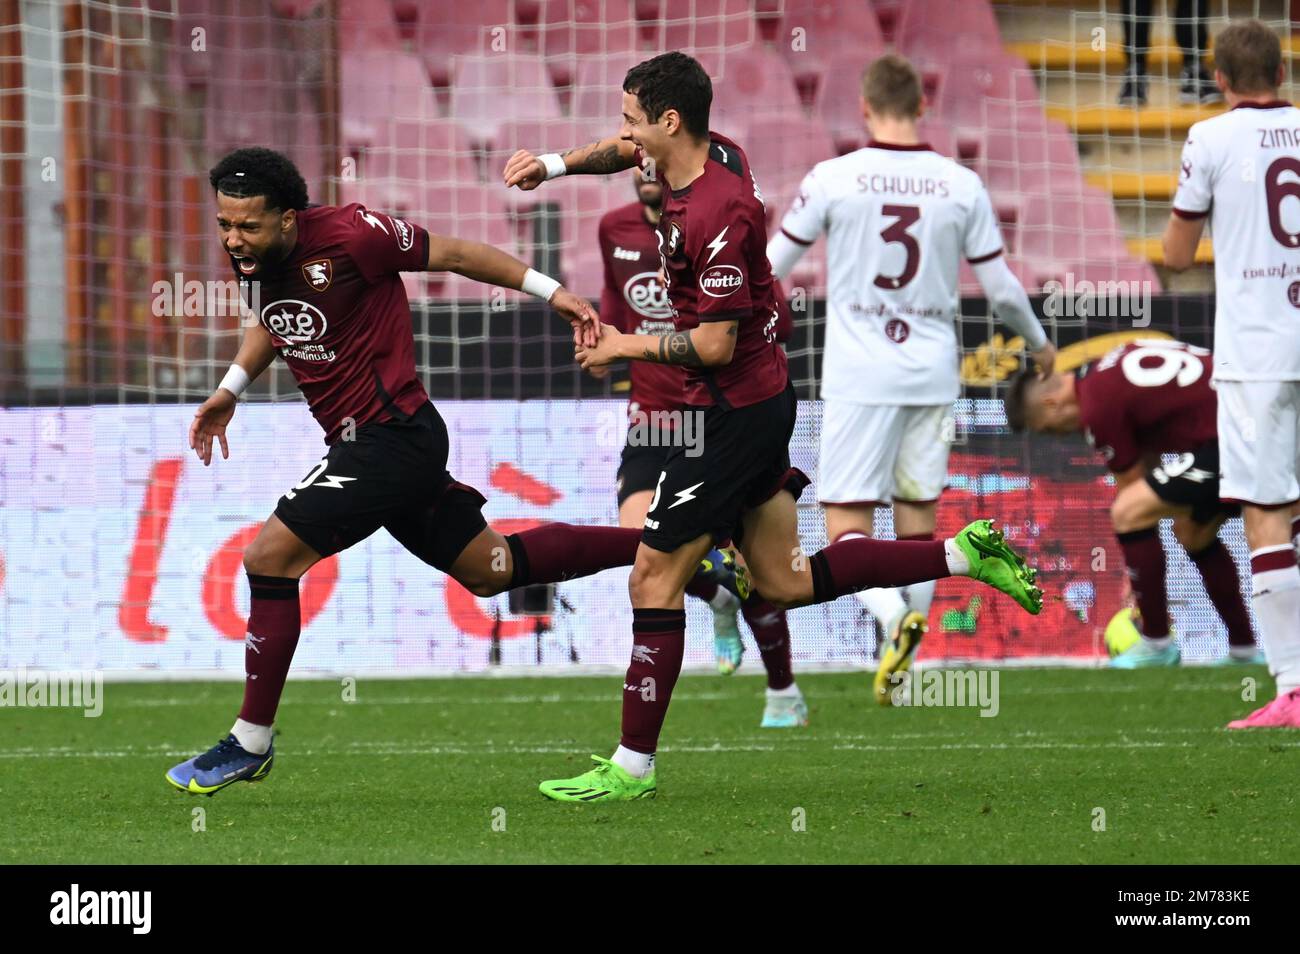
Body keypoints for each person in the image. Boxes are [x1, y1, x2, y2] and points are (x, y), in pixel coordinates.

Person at [505, 51, 1043, 802]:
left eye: (633, 122)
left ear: (668, 122)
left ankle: (631, 766)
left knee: (652, 575)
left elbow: (716, 344)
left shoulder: (721, 211)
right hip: (755, 399)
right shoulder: (705, 152)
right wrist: (555, 166)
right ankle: (962, 553)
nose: (624, 137)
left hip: (733, 414)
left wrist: (626, 343)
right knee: (785, 582)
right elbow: (624, 152)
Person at [166, 147, 739, 796]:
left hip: (391, 441)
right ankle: (683, 552)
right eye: (224, 225)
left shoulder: (356, 236)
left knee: (268, 559)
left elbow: (460, 255)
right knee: (492, 570)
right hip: (373, 449)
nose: (234, 239)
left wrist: (554, 294)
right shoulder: (256, 260)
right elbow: (277, 319)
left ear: (291, 219)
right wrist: (231, 388)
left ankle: (249, 743)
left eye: (248, 226)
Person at [766, 53, 1054, 704]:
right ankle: (916, 669)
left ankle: (894, 619)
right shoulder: (960, 184)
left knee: (847, 526)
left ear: (863, 107)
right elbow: (1004, 290)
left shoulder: (834, 177)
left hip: (859, 373)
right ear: (925, 106)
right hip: (931, 373)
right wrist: (1040, 347)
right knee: (918, 520)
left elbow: (771, 265)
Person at [596, 168, 806, 727]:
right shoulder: (612, 229)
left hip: (720, 419)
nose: (644, 171)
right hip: (653, 422)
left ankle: (783, 690)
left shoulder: (712, 227)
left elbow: (775, 319)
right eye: (634, 163)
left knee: (754, 560)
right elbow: (616, 314)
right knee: (639, 545)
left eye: (652, 165)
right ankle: (717, 598)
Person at [1162, 19, 1300, 727]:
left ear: (1218, 78)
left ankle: (1293, 688)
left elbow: (1178, 254)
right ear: (1282, 72)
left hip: (1259, 351)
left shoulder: (1210, 138)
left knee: (1266, 508)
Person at [1006, 338, 1261, 667]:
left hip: (1235, 438)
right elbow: (1151, 462)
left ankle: (1156, 643)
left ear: (1052, 403)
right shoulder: (1105, 371)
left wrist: (1137, 577)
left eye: (1047, 429)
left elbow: (1133, 499)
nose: (1055, 435)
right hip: (1247, 425)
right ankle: (1244, 651)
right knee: (1194, 534)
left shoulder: (1097, 408)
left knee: (1127, 513)